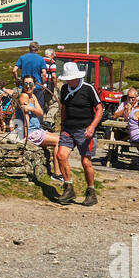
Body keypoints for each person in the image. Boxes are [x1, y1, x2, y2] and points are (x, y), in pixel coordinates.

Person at [54, 61, 103, 207]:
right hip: (68, 129)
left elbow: (99, 109)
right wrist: (62, 126)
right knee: (60, 156)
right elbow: (63, 108)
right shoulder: (64, 89)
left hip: (85, 129)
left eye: (71, 78)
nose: (70, 81)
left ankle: (91, 191)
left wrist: (92, 127)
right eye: (68, 78)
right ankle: (68, 188)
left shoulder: (88, 89)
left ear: (77, 77)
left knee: (86, 162)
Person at [17, 76, 61, 180]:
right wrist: (26, 136)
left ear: (34, 85)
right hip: (32, 132)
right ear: (22, 85)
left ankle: (60, 171)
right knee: (58, 141)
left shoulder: (33, 96)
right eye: (26, 84)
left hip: (37, 130)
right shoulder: (24, 96)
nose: (28, 86)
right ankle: (57, 173)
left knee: (62, 139)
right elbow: (26, 116)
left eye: (30, 84)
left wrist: (31, 108)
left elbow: (41, 113)